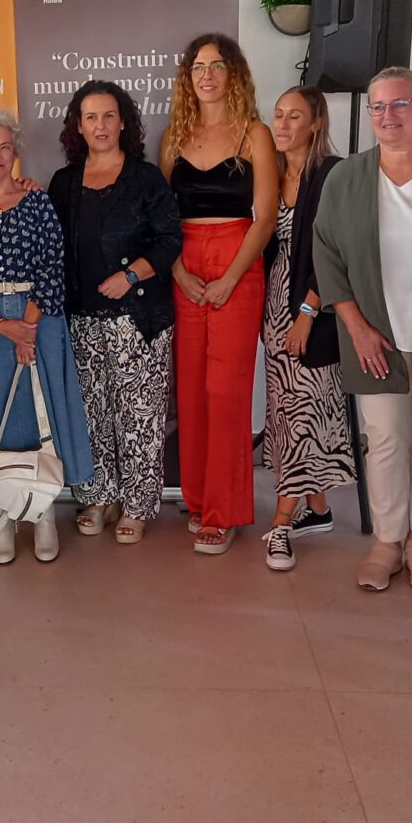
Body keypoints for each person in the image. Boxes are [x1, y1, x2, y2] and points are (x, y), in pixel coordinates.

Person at [313, 68, 412, 592]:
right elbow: (326, 256)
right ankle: (387, 540)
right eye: (378, 107)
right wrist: (357, 329)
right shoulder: (347, 177)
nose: (388, 116)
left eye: (400, 105)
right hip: (373, 336)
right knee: (386, 438)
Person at [0, 108, 93, 564]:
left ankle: (43, 512)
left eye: (4, 146)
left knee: (38, 418)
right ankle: (5, 514)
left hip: (39, 322)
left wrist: (27, 325)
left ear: (15, 152)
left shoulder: (38, 202)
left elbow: (53, 263)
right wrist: (2, 325)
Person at [47, 81, 181, 544]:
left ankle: (139, 504)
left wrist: (132, 276)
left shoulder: (146, 178)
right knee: (92, 414)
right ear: (78, 127)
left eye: (108, 116)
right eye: (90, 117)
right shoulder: (64, 182)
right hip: (80, 319)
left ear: (123, 121)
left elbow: (169, 241)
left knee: (138, 416)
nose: (100, 125)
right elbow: (50, 243)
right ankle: (99, 495)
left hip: (136, 319)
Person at [160, 33, 277, 555]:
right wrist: (180, 271)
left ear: (234, 74)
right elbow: (159, 216)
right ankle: (199, 497)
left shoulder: (256, 134)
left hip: (238, 259)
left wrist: (231, 276)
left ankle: (225, 512)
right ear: (188, 77)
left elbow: (266, 216)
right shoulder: (172, 137)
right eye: (197, 66)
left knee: (226, 390)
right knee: (191, 388)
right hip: (184, 262)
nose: (206, 74)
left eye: (216, 65)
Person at [259, 86, 356, 571]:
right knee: (287, 413)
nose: (281, 124)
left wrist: (307, 312)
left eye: (293, 116)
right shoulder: (275, 174)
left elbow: (337, 249)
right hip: (274, 307)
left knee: (303, 415)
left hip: (311, 310)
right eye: (277, 115)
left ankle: (280, 524)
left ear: (315, 123)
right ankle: (315, 509)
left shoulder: (333, 173)